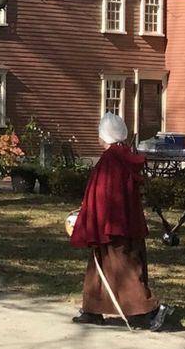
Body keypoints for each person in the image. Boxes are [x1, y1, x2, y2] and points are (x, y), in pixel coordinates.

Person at [70, 113, 173, 331]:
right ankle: (93, 309)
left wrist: (92, 218)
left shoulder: (111, 160)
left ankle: (147, 311)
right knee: (99, 267)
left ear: (103, 135)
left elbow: (103, 195)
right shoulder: (125, 155)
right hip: (125, 221)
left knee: (123, 268)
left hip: (113, 225)